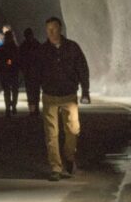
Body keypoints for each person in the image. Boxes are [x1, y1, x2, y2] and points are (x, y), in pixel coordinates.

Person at [36, 16, 92, 181]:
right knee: (51, 133)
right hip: (49, 95)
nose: (51, 32)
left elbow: (82, 69)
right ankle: (55, 167)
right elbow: (35, 72)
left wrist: (85, 91)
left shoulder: (72, 48)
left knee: (73, 130)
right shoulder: (43, 50)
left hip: (68, 95)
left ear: (60, 29)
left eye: (53, 29)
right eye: (48, 30)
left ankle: (69, 157)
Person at [0, 27, 21, 115]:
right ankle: (12, 106)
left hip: (7, 70)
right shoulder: (15, 48)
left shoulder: (3, 48)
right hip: (12, 70)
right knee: (13, 90)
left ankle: (9, 107)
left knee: (8, 90)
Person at [19, 26, 43, 115]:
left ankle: (33, 109)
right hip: (33, 72)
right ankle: (34, 108)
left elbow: (20, 59)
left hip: (31, 72)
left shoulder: (24, 46)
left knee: (32, 92)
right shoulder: (37, 45)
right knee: (34, 91)